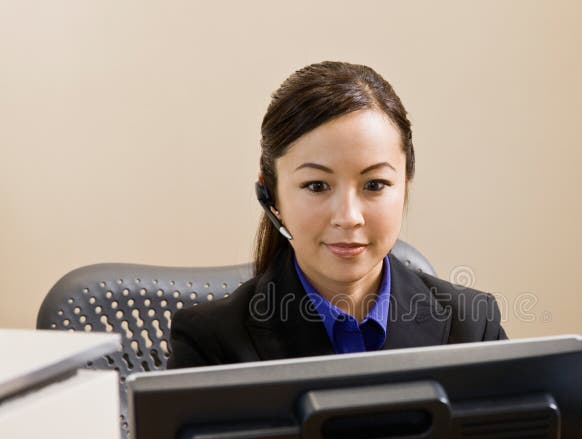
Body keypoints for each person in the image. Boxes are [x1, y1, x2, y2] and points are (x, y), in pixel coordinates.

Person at [167, 61, 506, 369]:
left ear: (406, 183)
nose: (349, 217)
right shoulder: (209, 345)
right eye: (316, 186)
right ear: (271, 196)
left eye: (374, 184)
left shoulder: (473, 326)